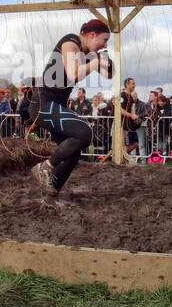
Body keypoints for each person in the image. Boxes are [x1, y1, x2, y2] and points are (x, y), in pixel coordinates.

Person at [28, 19, 113, 195]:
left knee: (73, 152)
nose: (104, 44)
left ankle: (51, 192)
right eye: (104, 40)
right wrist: (96, 62)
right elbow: (73, 74)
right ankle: (45, 167)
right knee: (85, 132)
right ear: (92, 35)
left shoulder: (87, 54)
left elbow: (109, 74)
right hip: (44, 103)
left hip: (53, 105)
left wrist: (104, 60)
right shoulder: (70, 41)